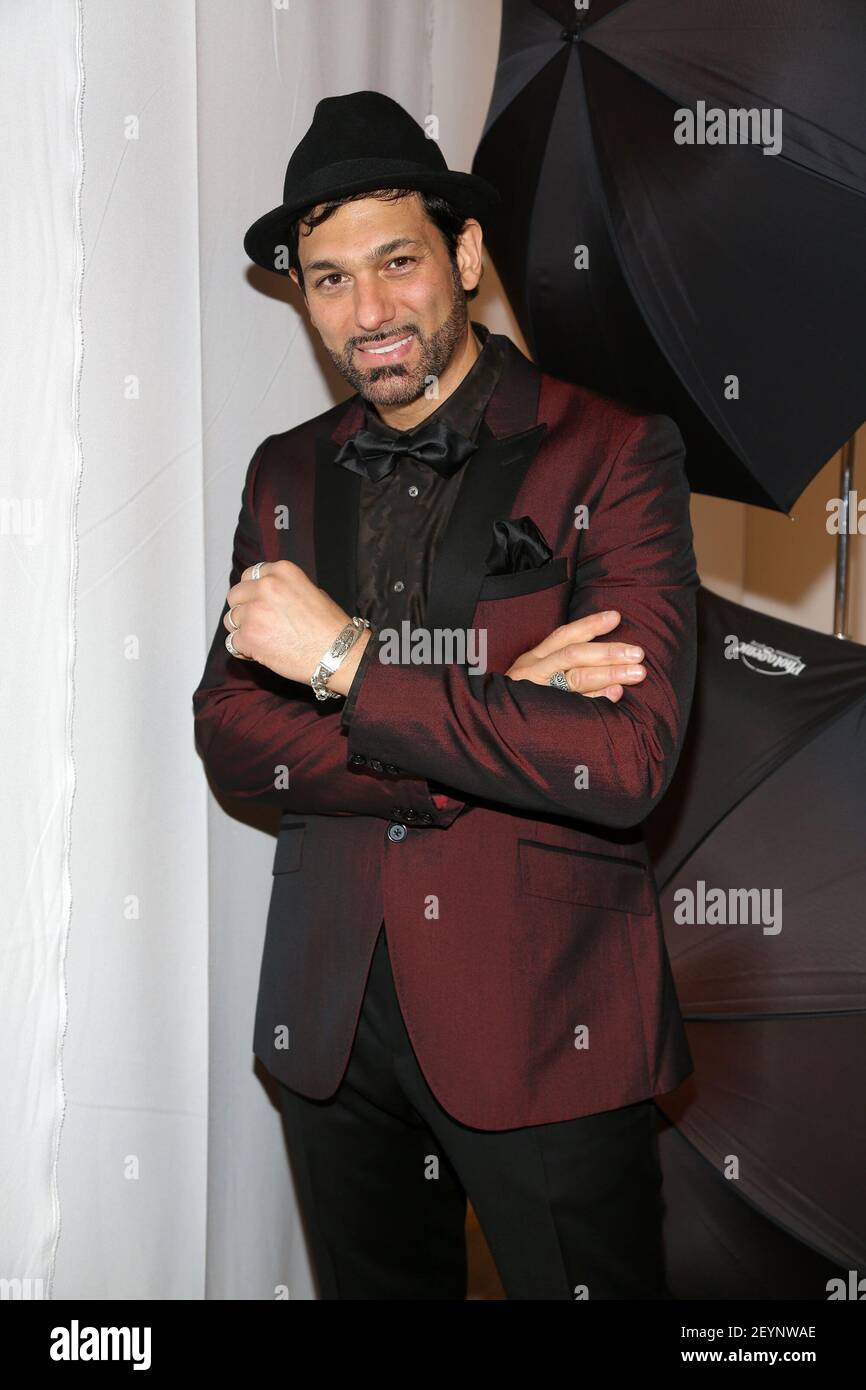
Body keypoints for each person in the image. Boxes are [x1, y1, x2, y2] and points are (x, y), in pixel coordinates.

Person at [192, 91, 699, 1300]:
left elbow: (624, 758)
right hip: (329, 1025)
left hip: (544, 1018)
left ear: (465, 257)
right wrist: (486, 711)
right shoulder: (282, 469)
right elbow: (229, 736)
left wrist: (349, 671)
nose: (364, 314)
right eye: (326, 280)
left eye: (395, 262)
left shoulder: (613, 453)